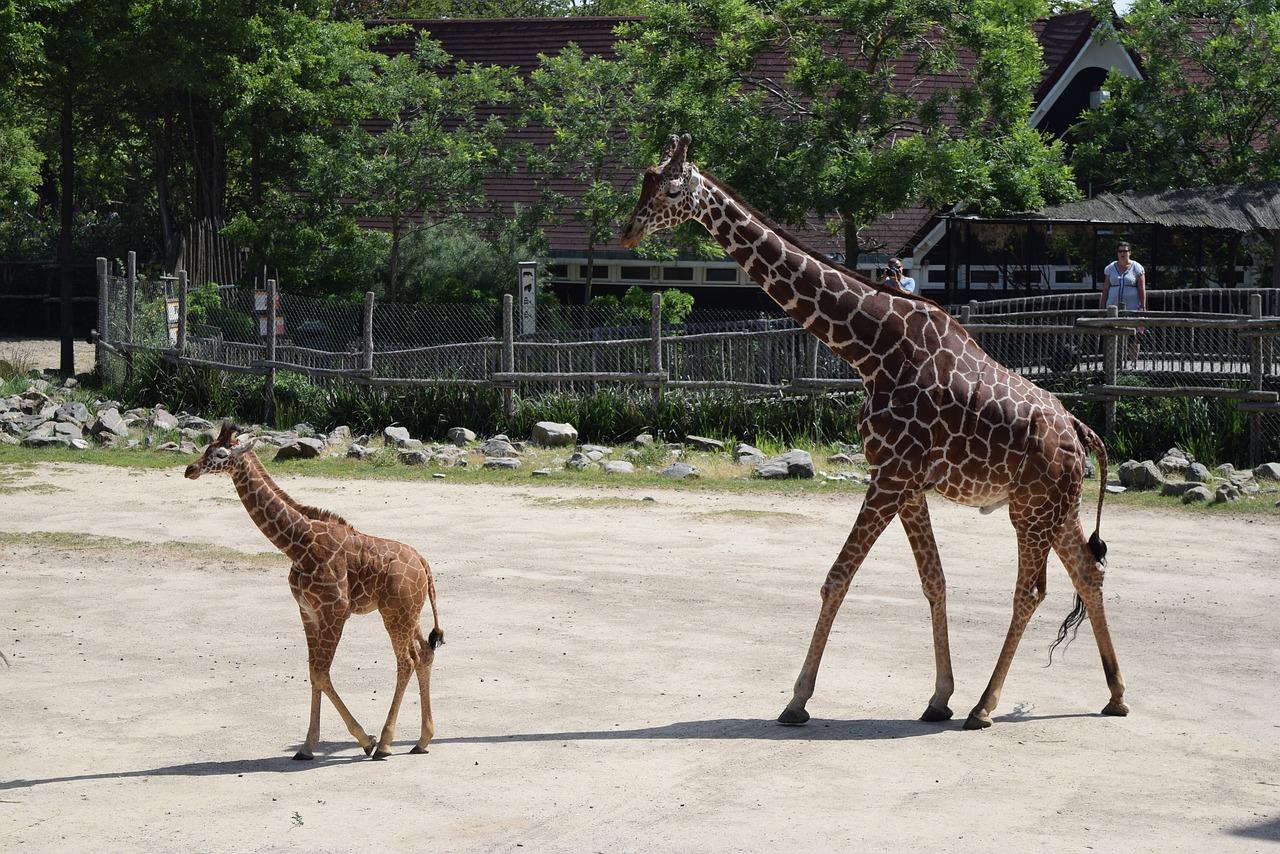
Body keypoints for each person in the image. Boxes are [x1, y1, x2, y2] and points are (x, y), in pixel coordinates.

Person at [1100, 241, 1146, 362]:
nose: (1122, 253)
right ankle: (1114, 362)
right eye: (1120, 251)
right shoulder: (1110, 268)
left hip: (1132, 307)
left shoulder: (1137, 268)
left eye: (1125, 251)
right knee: (1113, 333)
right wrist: (1102, 306)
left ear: (1129, 252)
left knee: (1133, 335)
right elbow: (1105, 289)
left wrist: (1143, 306)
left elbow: (1141, 288)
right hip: (1112, 307)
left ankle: (1133, 363)